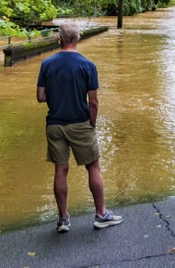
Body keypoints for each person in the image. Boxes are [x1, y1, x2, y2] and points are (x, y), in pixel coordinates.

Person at [36, 22, 122, 232]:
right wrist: (91, 123)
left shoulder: (47, 64)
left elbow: (40, 97)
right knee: (93, 166)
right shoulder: (87, 65)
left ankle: (63, 219)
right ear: (78, 39)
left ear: (60, 40)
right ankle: (101, 215)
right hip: (80, 123)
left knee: (60, 169)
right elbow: (93, 101)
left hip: (55, 124)